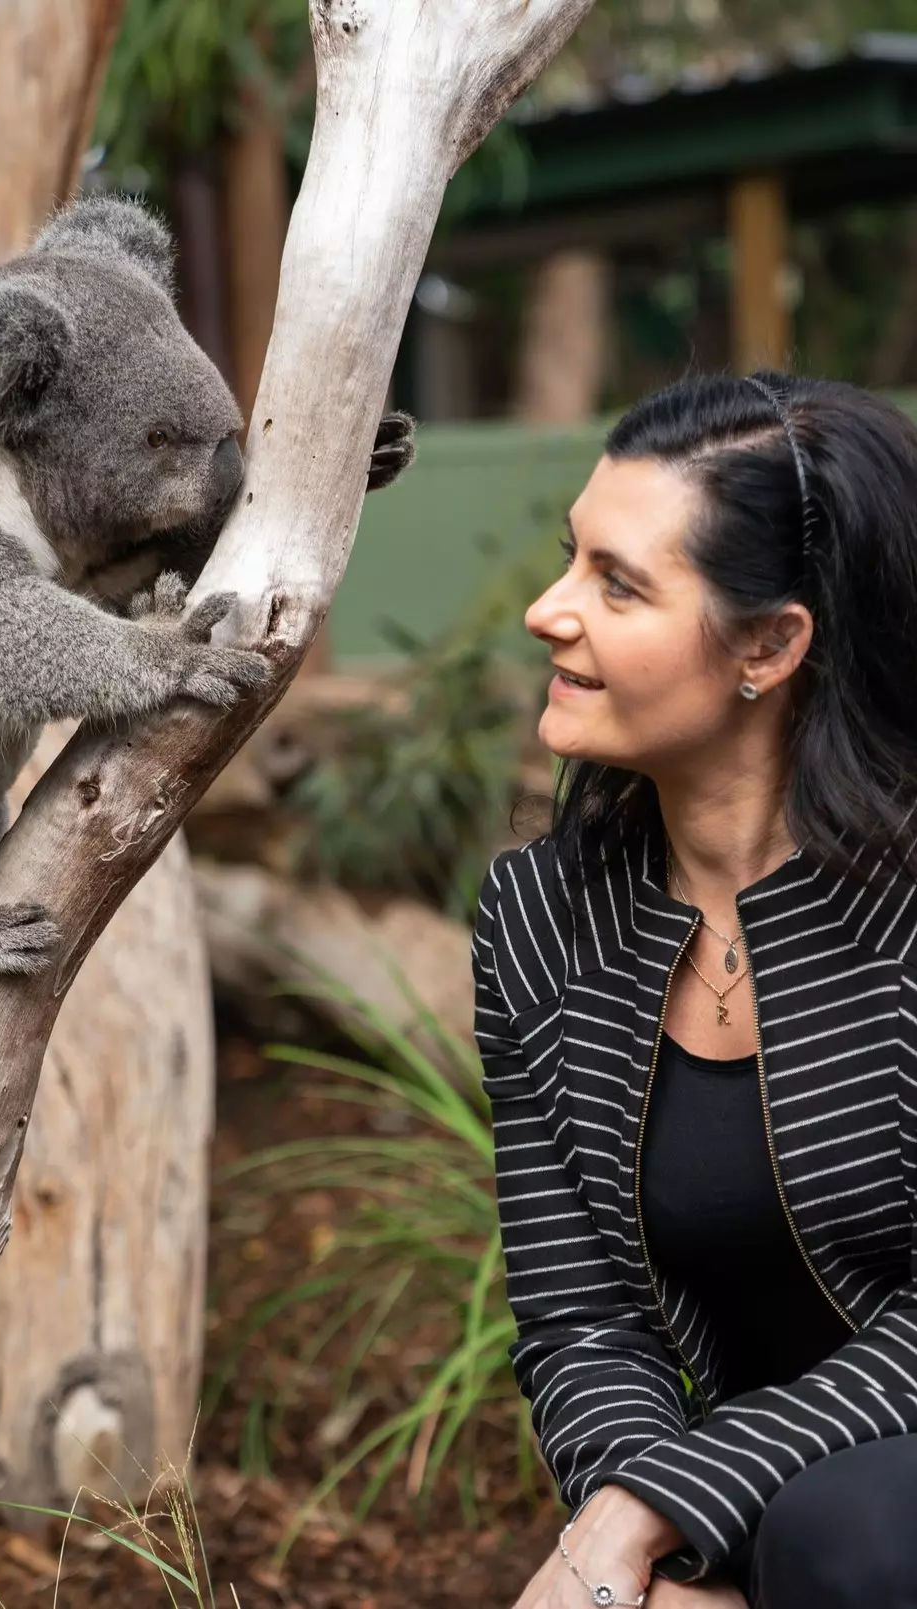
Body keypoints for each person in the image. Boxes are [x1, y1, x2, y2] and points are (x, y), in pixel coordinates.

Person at [472, 372, 917, 1609]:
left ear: (769, 644)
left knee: (853, 1532)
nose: (546, 612)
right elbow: (579, 1315)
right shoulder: (541, 923)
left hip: (855, 1528)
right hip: (772, 1524)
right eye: (574, 559)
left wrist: (673, 1500)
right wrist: (642, 1549)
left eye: (618, 585)